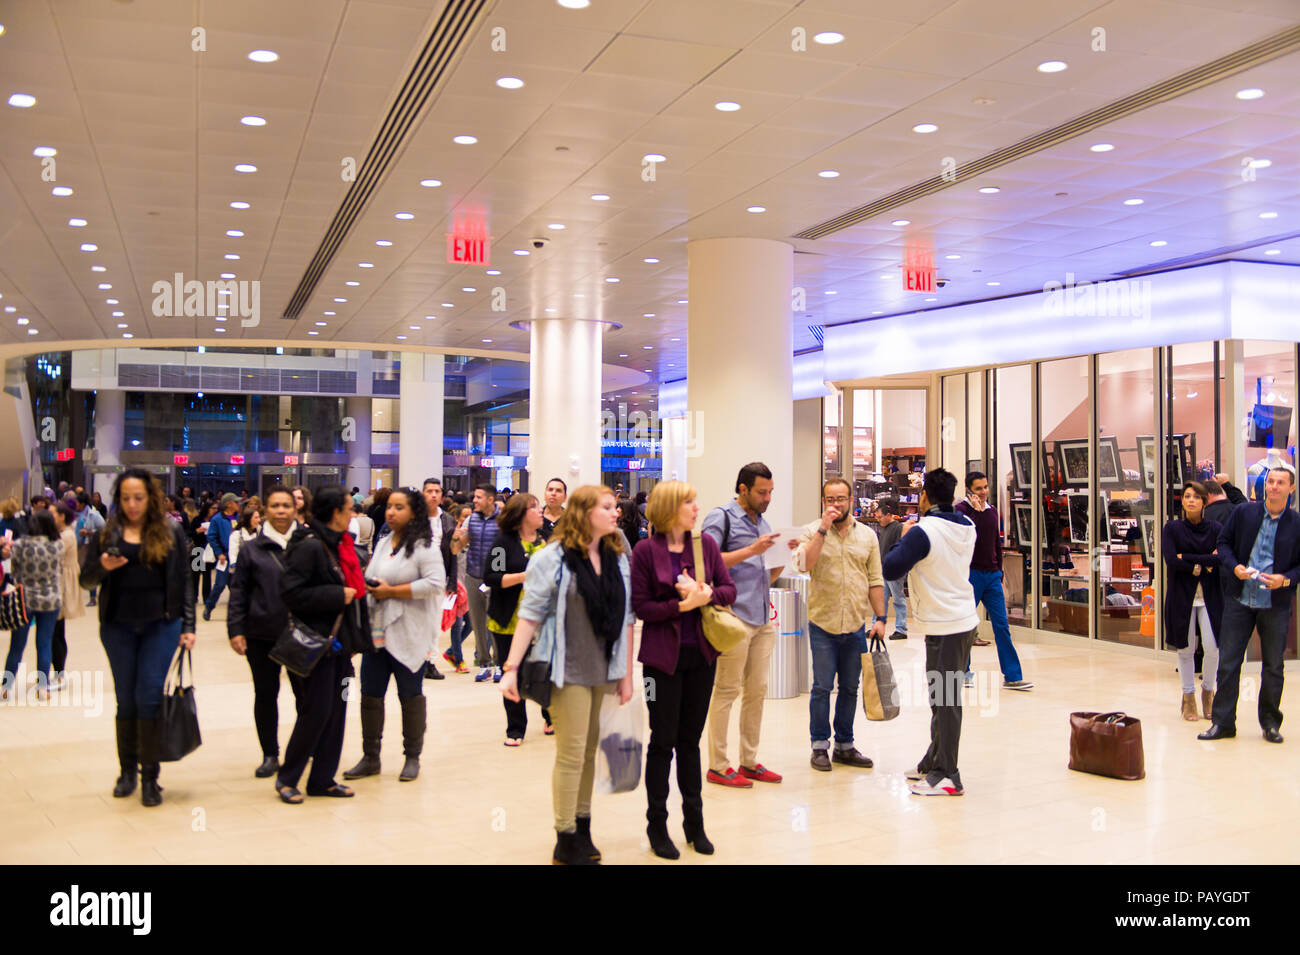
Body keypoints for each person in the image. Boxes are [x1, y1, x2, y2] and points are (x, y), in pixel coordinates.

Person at [499, 485, 635, 866]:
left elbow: (626, 617)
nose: (615, 513)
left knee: (590, 751)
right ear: (585, 513)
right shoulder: (551, 558)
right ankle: (564, 834)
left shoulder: (616, 557)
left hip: (603, 668)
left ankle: (583, 823)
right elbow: (531, 613)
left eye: (615, 507)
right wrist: (511, 667)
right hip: (566, 668)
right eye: (606, 507)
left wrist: (625, 674)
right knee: (572, 753)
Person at [78, 468, 197, 807]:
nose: (132, 504)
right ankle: (127, 771)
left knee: (148, 697)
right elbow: (85, 581)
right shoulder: (108, 532)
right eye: (126, 498)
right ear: (119, 499)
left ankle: (150, 777)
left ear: (151, 499)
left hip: (161, 626)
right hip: (117, 627)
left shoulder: (170, 531)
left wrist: (189, 626)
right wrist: (101, 566)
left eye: (139, 498)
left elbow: (183, 581)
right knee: (125, 701)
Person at [633, 480, 736, 858]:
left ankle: (695, 824)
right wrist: (681, 606)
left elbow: (729, 590)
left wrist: (706, 594)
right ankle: (657, 826)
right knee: (661, 742)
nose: (696, 507)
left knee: (690, 741)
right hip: (660, 662)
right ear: (667, 508)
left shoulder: (705, 545)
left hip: (701, 657)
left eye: (695, 500)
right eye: (688, 502)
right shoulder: (645, 551)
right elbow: (641, 607)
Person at [881, 468, 979, 796]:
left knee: (946, 699)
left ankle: (948, 774)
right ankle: (933, 760)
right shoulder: (967, 525)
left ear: (924, 496)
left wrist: (905, 532)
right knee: (940, 696)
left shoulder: (924, 532)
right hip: (961, 619)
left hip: (946, 624)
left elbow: (891, 567)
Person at [276, 486, 371, 803]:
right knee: (316, 711)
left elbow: (353, 590)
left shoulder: (343, 544)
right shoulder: (310, 546)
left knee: (337, 711)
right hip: (318, 645)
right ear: (334, 513)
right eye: (348, 509)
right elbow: (291, 593)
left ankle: (322, 779)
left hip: (341, 646)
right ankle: (288, 778)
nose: (352, 514)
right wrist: (335, 595)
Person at [345, 488, 444, 783]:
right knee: (370, 696)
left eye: (399, 507)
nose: (391, 512)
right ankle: (371, 757)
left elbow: (436, 583)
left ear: (413, 513)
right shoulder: (385, 541)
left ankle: (412, 757)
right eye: (389, 506)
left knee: (410, 696)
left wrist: (392, 591)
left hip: (409, 634)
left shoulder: (425, 546)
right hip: (378, 634)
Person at [1200, 467, 1300, 744]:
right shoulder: (1244, 513)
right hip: (1239, 598)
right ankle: (1223, 723)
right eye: (1270, 481)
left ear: (1291, 488)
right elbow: (1223, 543)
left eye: (1281, 483)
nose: (1274, 487)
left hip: (1275, 603)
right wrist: (1235, 568)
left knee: (1273, 666)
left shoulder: (1296, 523)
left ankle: (1270, 723)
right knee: (1229, 662)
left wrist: (1285, 580)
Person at [701, 461, 785, 789]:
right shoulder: (720, 517)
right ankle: (719, 765)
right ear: (743, 489)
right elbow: (706, 559)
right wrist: (751, 550)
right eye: (762, 492)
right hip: (732, 616)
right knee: (726, 690)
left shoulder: (764, 524)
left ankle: (749, 761)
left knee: (757, 691)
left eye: (770, 493)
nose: (767, 498)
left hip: (762, 617)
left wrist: (781, 557)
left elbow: (767, 574)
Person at [793, 476, 885, 772]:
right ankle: (819, 745)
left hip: (856, 625)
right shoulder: (811, 531)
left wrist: (881, 618)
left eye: (841, 499)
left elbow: (875, 580)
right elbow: (804, 565)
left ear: (851, 501)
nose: (836, 504)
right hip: (823, 624)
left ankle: (845, 745)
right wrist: (822, 529)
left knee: (850, 688)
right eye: (830, 500)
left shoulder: (868, 536)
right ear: (823, 502)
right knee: (821, 687)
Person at [227, 486, 299, 778]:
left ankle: (303, 748)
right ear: (265, 511)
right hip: (261, 632)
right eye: (275, 505)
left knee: (306, 695)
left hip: (299, 633)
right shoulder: (251, 549)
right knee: (266, 694)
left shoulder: (306, 544)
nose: (281, 510)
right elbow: (239, 591)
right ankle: (270, 754)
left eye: (286, 505)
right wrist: (236, 628)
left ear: (295, 510)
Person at [955, 472, 1033, 690]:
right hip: (970, 575)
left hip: (992, 576)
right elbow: (963, 538)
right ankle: (963, 672)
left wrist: (999, 571)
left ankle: (1013, 675)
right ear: (968, 490)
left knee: (1002, 625)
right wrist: (976, 512)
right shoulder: (960, 512)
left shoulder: (992, 512)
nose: (983, 492)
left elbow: (995, 544)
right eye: (979, 488)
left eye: (986, 487)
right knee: (965, 626)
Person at [483, 493, 551, 743]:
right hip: (509, 619)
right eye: (534, 508)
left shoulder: (545, 541)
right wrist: (525, 575)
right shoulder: (504, 543)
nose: (540, 511)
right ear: (521, 515)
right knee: (514, 672)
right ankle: (515, 728)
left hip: (544, 622)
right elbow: (492, 577)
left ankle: (550, 715)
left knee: (545, 671)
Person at [1162, 481, 1222, 722]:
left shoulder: (1216, 528)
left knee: (1213, 647)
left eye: (1196, 497)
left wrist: (1186, 557)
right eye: (1187, 496)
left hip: (1210, 596)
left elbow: (1221, 558)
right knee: (1185, 649)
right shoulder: (1172, 528)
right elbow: (1170, 560)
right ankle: (1188, 697)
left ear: (1204, 502)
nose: (1191, 501)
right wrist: (1201, 564)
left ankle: (1209, 692)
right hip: (1181, 595)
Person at [2, 509, 63, 702]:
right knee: (44, 643)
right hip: (51, 599)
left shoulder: (19, 545)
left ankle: (5, 687)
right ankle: (43, 688)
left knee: (17, 645)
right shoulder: (57, 545)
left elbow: (15, 571)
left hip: (24, 600)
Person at [455, 483, 500, 681]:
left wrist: (499, 574)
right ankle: (484, 663)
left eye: (478, 497)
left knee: (495, 622)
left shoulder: (503, 521)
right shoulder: (471, 520)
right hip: (472, 576)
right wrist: (456, 538)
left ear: (490, 499)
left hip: (494, 578)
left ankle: (500, 663)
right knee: (477, 622)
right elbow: (457, 548)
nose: (474, 500)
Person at [49, 502, 83, 692]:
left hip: (62, 584)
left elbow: (53, 553)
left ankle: (60, 675)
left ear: (62, 516)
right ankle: (58, 673)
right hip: (59, 582)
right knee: (56, 631)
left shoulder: (67, 535)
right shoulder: (63, 533)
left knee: (56, 632)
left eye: (53, 513)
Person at [442, 504, 473, 674]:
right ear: (457, 518)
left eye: (470, 515)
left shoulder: (470, 537)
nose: (468, 519)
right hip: (451, 585)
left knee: (472, 623)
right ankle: (458, 659)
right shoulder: (450, 536)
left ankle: (450, 652)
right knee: (455, 622)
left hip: (467, 587)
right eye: (464, 516)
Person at [202, 493, 240, 621]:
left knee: (237, 587)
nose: (238, 504)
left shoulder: (239, 518)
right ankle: (209, 607)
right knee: (220, 584)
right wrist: (219, 553)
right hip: (224, 557)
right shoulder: (217, 519)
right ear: (229, 504)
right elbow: (211, 537)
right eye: (236, 502)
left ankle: (239, 613)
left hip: (237, 557)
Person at [874, 501, 908, 640]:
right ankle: (877, 626)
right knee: (881, 599)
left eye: (880, 517)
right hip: (883, 569)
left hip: (895, 570)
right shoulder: (883, 528)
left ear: (888, 515)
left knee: (898, 599)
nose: (878, 520)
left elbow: (902, 549)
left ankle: (901, 629)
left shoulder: (898, 528)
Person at [76, 491, 106, 607]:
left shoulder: (93, 514)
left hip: (89, 546)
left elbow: (104, 530)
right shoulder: (78, 515)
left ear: (82, 504)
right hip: (80, 545)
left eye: (78, 504)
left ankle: (93, 597)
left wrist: (88, 532)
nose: (76, 506)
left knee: (88, 570)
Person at [229, 503, 261, 570]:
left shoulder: (260, 533)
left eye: (259, 517)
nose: (259, 520)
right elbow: (233, 555)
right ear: (248, 519)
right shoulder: (236, 535)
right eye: (256, 518)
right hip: (241, 570)